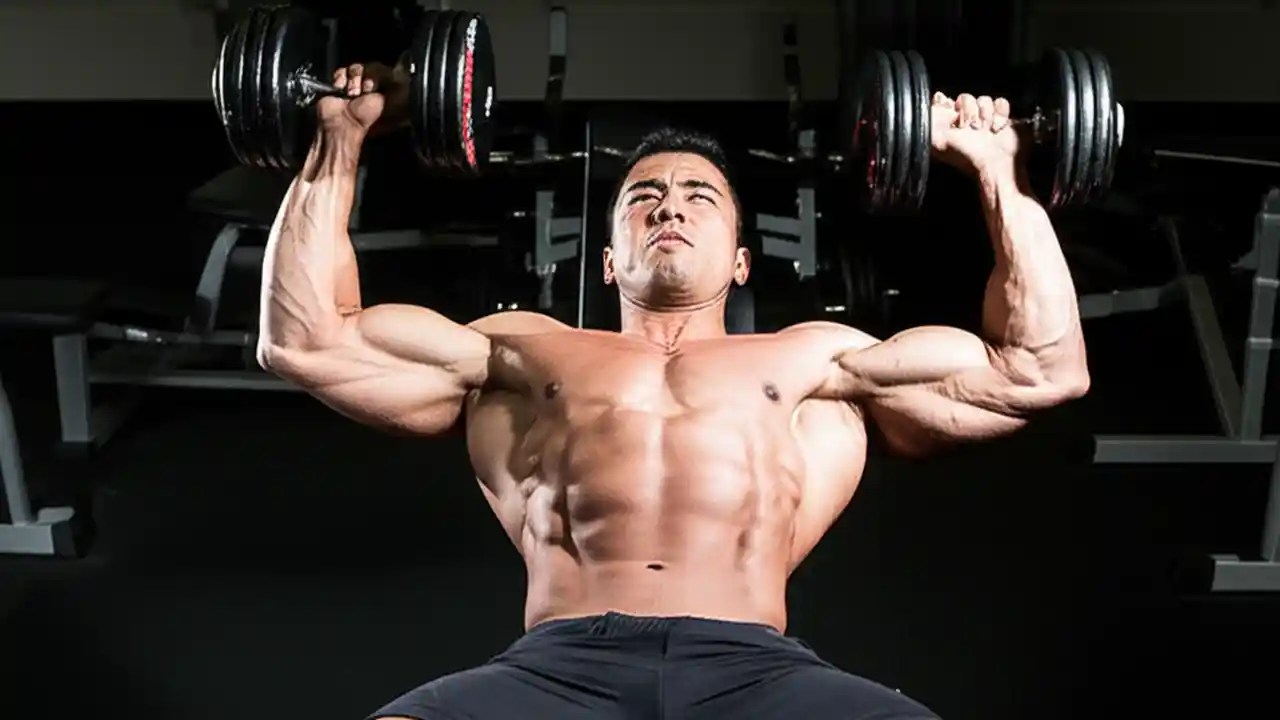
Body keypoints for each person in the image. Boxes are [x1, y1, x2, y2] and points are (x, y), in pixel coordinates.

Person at [256, 61, 1090, 720]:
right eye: (644, 197)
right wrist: (339, 139)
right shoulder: (518, 352)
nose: (669, 209)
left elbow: (1039, 368)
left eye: (700, 196)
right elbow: (306, 338)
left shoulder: (817, 363)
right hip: (558, 670)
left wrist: (997, 170)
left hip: (753, 671)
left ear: (740, 260)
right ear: (607, 260)